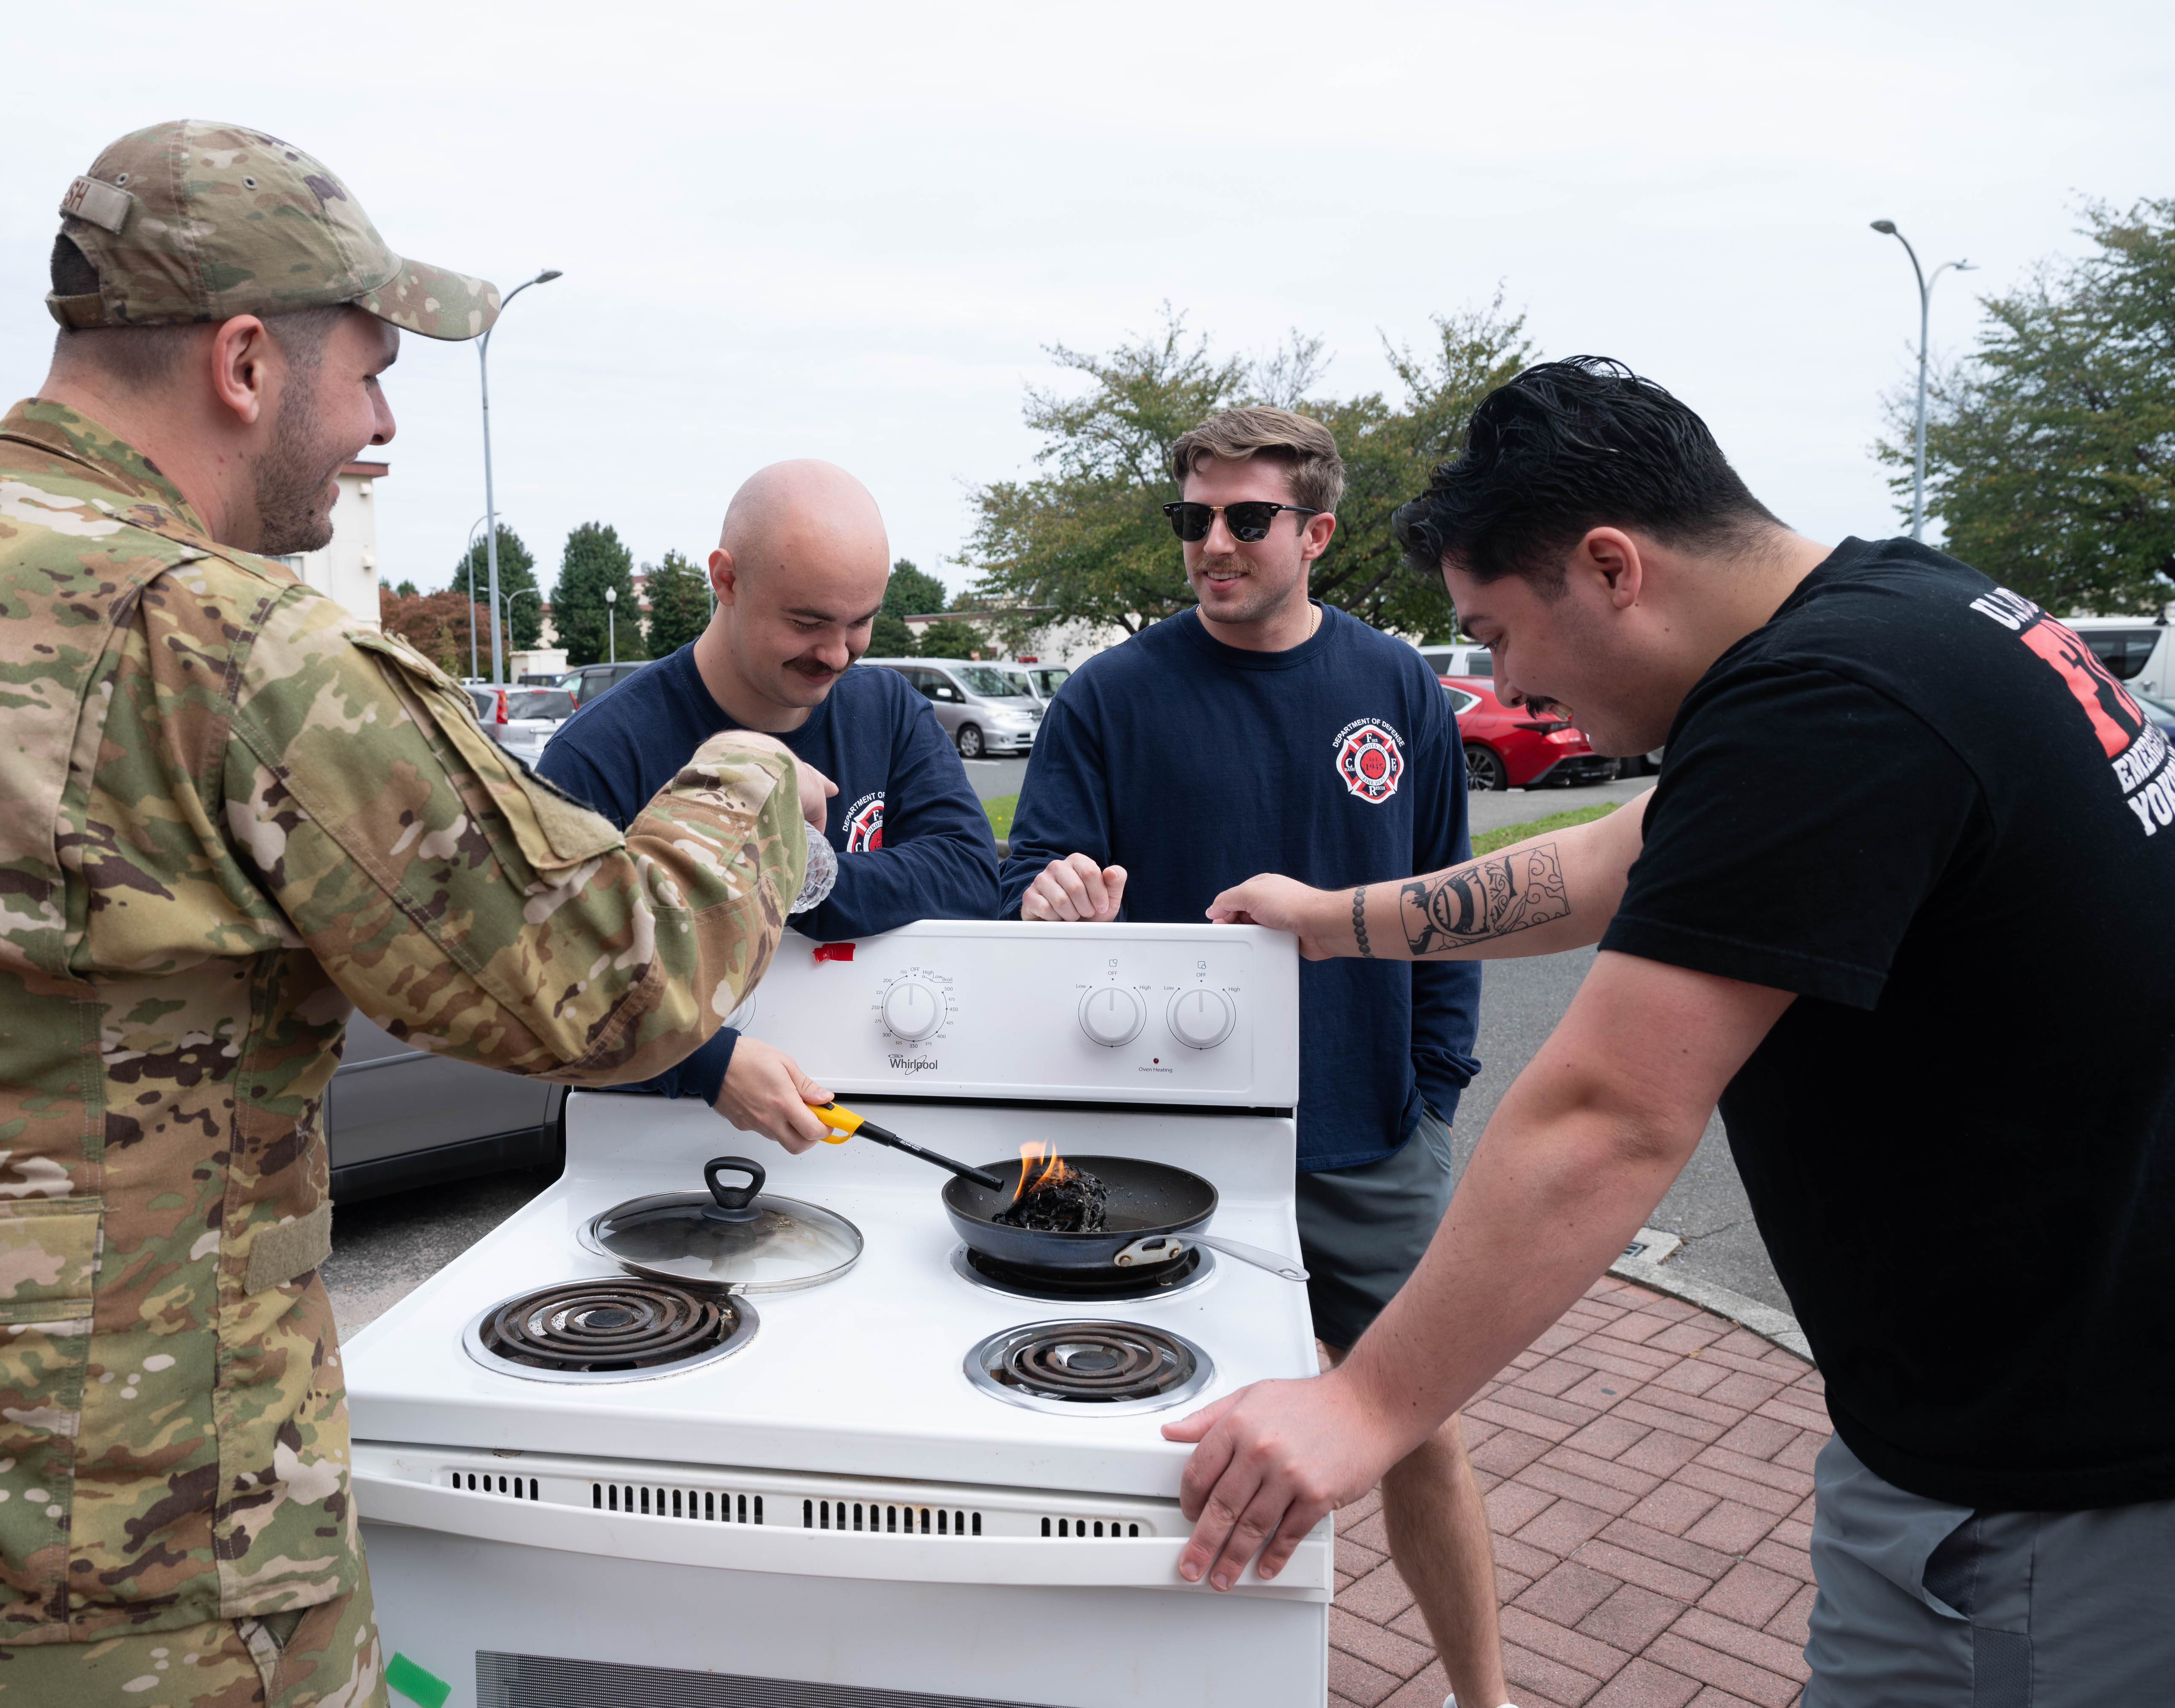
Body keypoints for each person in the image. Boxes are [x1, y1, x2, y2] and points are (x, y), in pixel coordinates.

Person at [0, 121, 822, 1708]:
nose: (377, 424)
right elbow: (606, 987)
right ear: (241, 362)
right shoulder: (215, 643)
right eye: (366, 370)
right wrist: (745, 783)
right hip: (122, 1591)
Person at [1179, 358, 2175, 1704]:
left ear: (1610, 567)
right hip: (1994, 1430)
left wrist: (1359, 1407)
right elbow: (1606, 867)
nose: (1514, 691)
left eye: (1502, 633)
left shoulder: (1825, 712)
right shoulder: (1907, 616)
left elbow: (1611, 1116)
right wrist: (1331, 919)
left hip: (2055, 1486)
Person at [1002, 407, 1509, 1708]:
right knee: (1120, 1420)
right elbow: (1028, 881)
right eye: (1193, 520)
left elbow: (1447, 899)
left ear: (1318, 533)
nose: (1212, 544)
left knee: (1422, 1432)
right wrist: (1052, 895)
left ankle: (1483, 1699)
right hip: (1144, 1146)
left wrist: (1433, 1094)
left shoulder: (1395, 687)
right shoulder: (1111, 695)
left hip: (1367, 1137)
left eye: (1246, 519)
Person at [537, 460, 1000, 1151]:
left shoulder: (891, 712)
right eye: (809, 622)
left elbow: (968, 876)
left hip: (883, 1121)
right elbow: (557, 983)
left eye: (862, 622)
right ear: (726, 579)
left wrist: (804, 871)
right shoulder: (598, 754)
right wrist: (705, 1064)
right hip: (654, 1147)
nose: (839, 654)